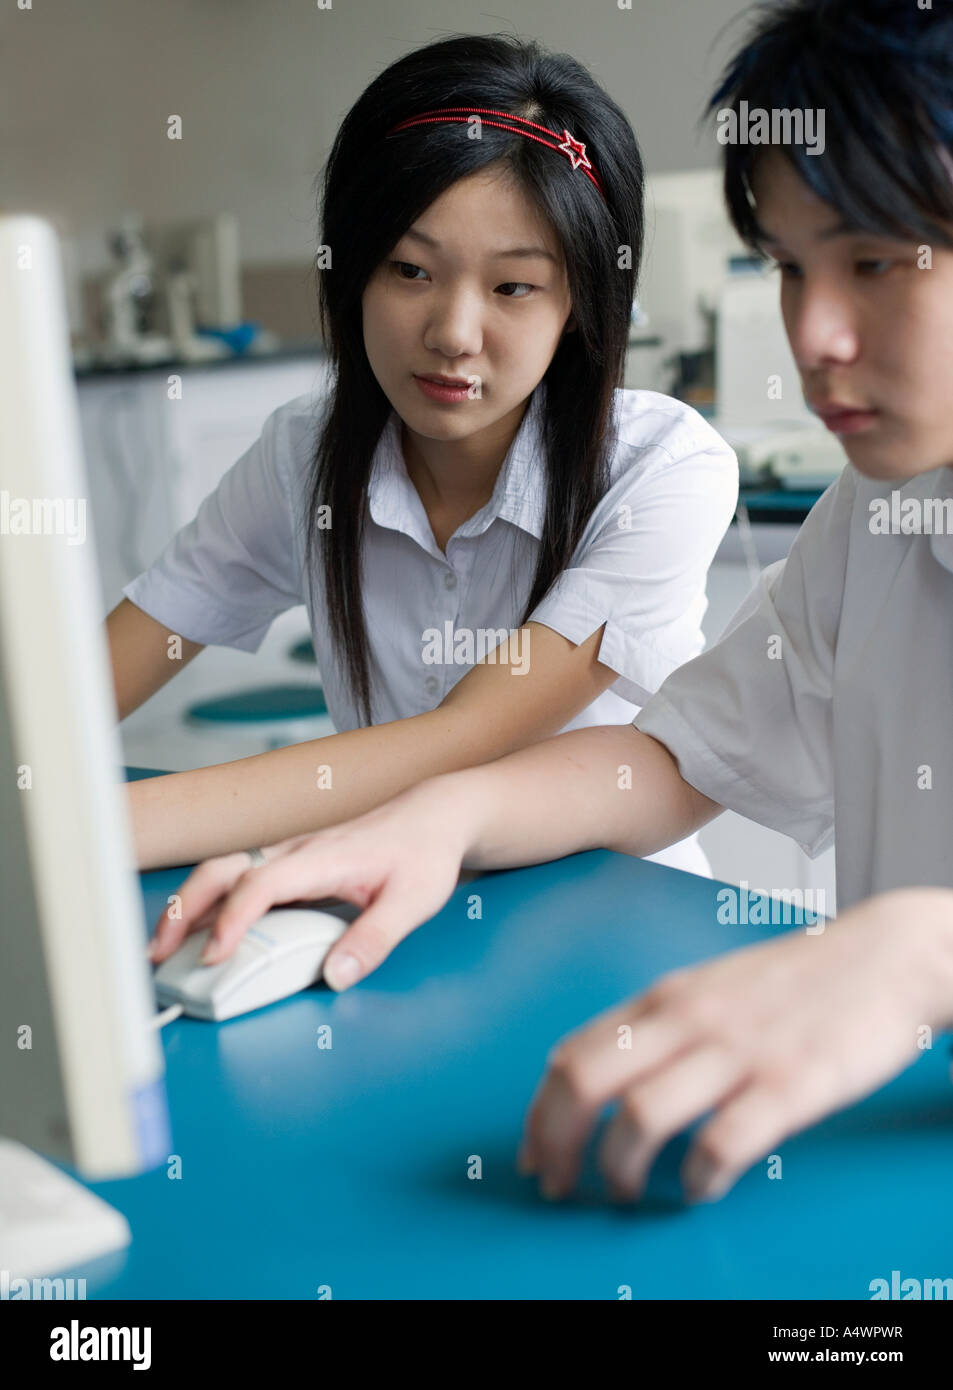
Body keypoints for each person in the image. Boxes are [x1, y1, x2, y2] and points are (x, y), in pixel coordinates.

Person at [148, 0, 953, 1206]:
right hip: (886, 1155)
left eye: (873, 263)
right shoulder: (879, 519)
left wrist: (911, 958)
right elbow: (677, 759)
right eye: (788, 269)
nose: (812, 334)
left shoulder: (660, 459)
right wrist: (439, 819)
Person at [112, 31, 736, 877]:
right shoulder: (304, 453)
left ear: (582, 306)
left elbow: (461, 743)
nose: (451, 334)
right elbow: (94, 683)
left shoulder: (660, 466)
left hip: (615, 920)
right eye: (409, 270)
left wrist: (91, 836)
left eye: (513, 286)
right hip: (393, 914)